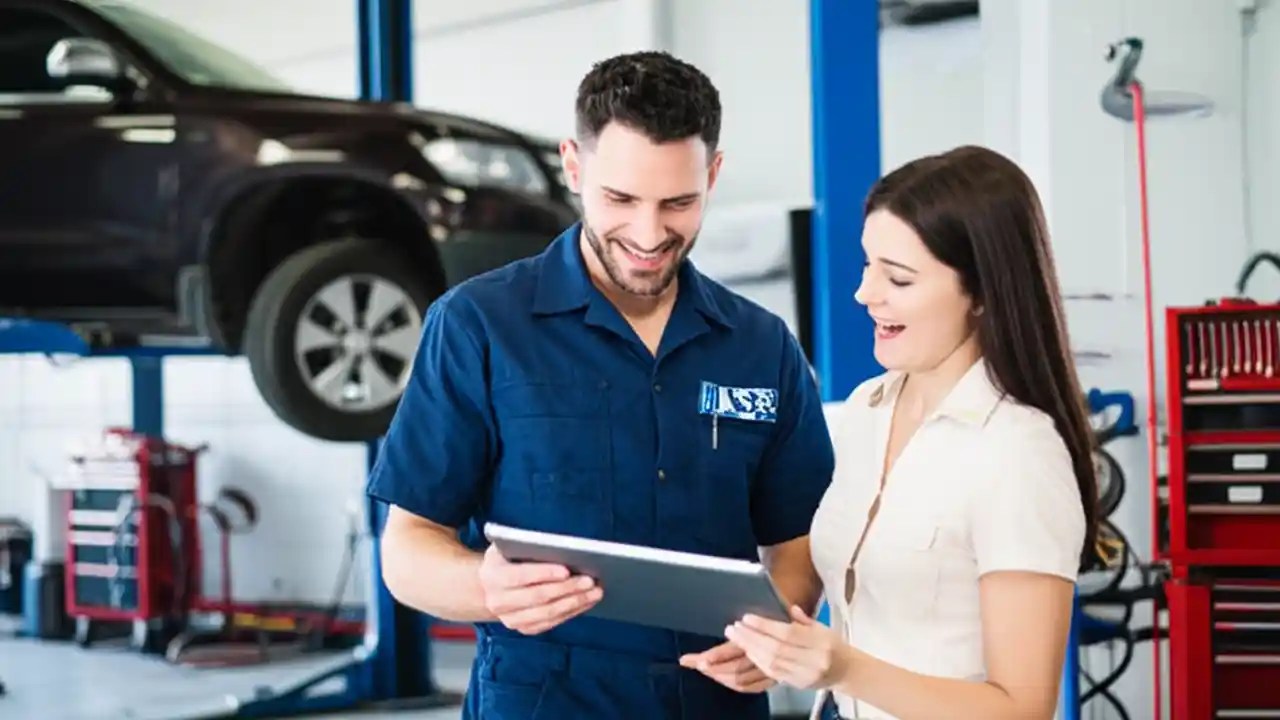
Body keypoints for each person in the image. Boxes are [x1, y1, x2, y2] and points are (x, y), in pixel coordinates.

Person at [365, 50, 835, 720]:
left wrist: (777, 626)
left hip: (714, 699)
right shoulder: (480, 327)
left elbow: (799, 542)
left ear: (713, 174)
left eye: (678, 203)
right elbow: (408, 549)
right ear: (574, 166)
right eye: (621, 199)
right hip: (545, 698)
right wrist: (484, 587)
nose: (649, 233)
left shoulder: (762, 347)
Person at [721, 146, 1100, 720]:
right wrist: (776, 646)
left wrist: (843, 668)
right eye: (868, 265)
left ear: (981, 293)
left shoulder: (1018, 453)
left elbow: (1023, 709)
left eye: (898, 278)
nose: (865, 293)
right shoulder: (867, 410)